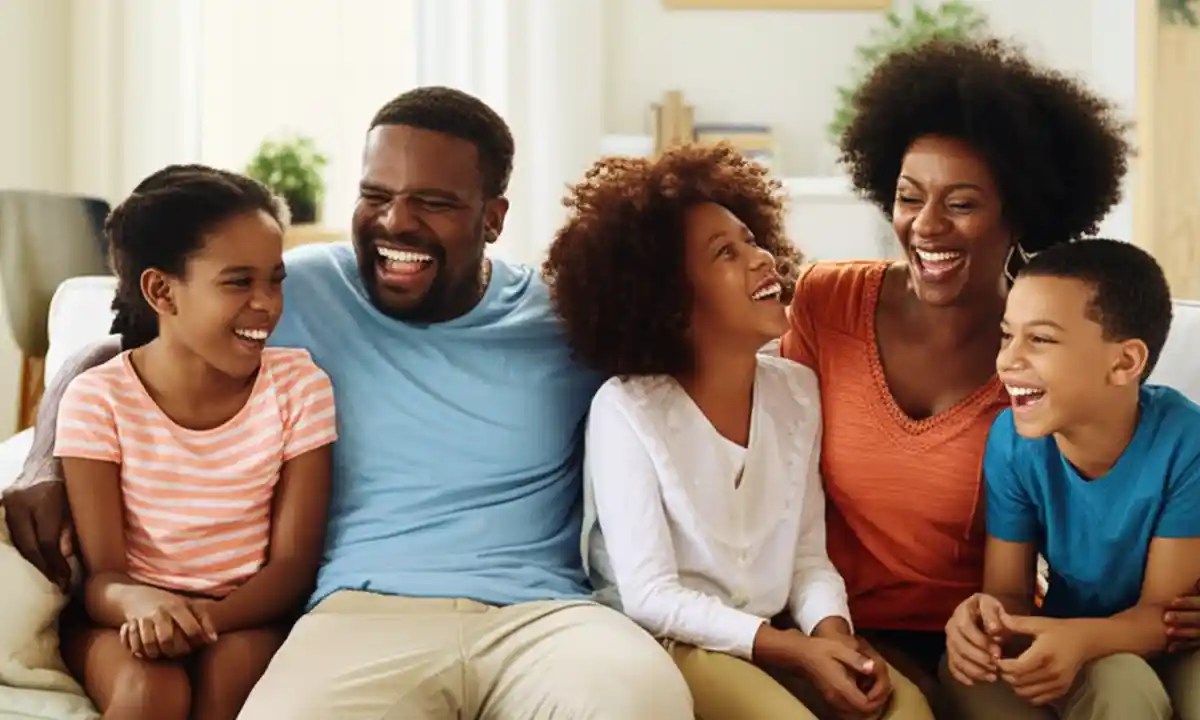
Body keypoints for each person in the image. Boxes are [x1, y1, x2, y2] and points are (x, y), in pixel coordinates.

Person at [3, 87, 693, 719]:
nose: (396, 222)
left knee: (643, 700)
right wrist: (41, 460)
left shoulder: (569, 318)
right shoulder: (293, 290)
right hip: (361, 613)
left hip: (545, 614)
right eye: (376, 194)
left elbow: (706, 371)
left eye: (435, 202)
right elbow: (113, 343)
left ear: (494, 217)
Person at [778, 36, 1200, 702]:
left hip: (990, 634)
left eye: (961, 203)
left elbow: (1139, 465)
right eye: (907, 197)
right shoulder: (826, 302)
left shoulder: (1052, 368)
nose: (926, 226)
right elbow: (763, 466)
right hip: (838, 624)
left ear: (1020, 213)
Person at [542, 143, 933, 719]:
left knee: (908, 710)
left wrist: (832, 636)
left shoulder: (798, 392)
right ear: (671, 297)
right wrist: (795, 652)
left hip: (781, 636)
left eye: (752, 239)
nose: (761, 258)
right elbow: (651, 596)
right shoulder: (626, 410)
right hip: (673, 642)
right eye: (726, 252)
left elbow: (807, 557)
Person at [942, 238, 1200, 719]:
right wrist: (984, 619)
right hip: (1073, 632)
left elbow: (1165, 614)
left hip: (1189, 640)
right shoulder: (1012, 441)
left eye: (1040, 339)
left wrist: (1078, 638)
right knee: (981, 676)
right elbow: (1009, 591)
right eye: (1006, 335)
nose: (1007, 360)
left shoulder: (1196, 439)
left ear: (1124, 363)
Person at [51, 165, 337, 720]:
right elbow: (103, 578)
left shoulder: (300, 387)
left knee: (230, 676)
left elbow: (293, 567)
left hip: (248, 614)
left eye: (275, 279)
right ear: (161, 290)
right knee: (150, 693)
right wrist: (144, 606)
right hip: (124, 618)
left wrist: (201, 621)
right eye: (238, 282)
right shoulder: (97, 399)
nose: (267, 303)